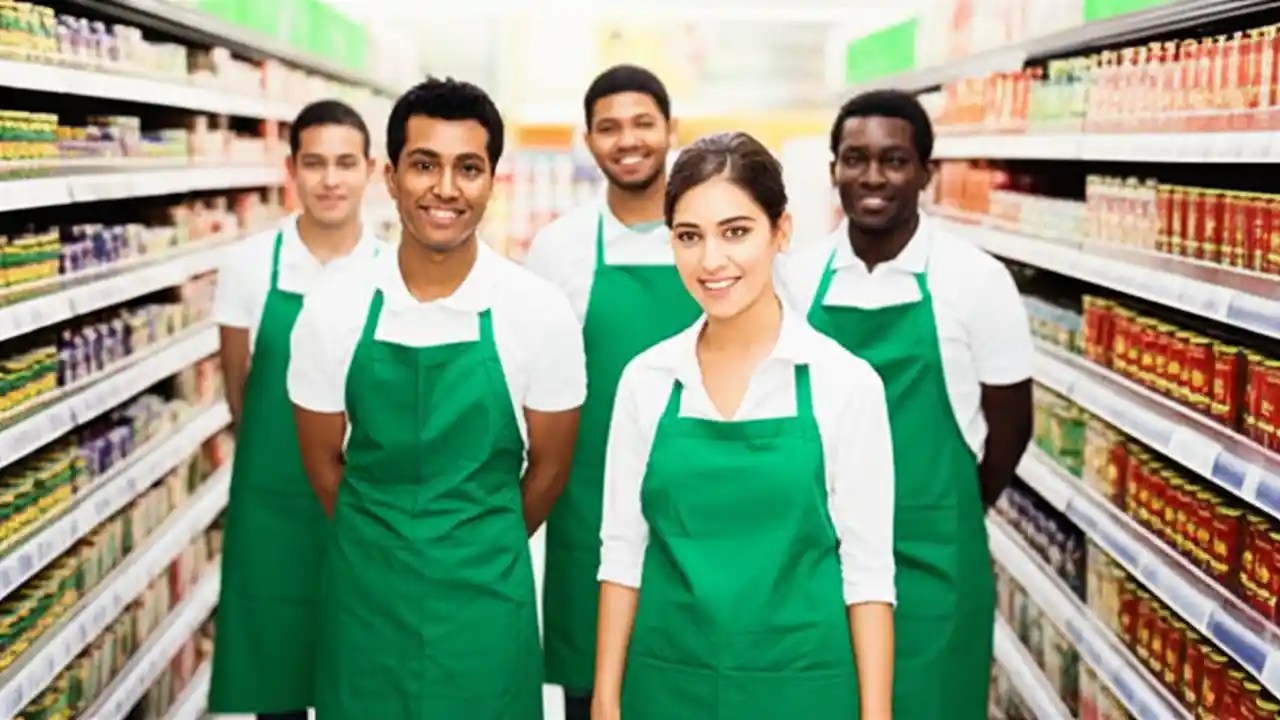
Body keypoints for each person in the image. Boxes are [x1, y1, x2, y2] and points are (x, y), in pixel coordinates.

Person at [286, 77, 586, 719]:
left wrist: (475, 544)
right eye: (425, 165)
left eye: (468, 168)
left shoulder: (538, 313)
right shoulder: (331, 309)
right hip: (365, 600)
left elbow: (552, 470)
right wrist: (385, 544)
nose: (446, 189)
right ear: (390, 177)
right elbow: (320, 465)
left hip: (486, 603)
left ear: (491, 181)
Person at [592, 131, 896, 720]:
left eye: (736, 232)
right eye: (689, 236)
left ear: (780, 231)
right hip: (667, 685)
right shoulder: (647, 381)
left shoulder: (844, 383)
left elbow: (867, 572)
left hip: (802, 688)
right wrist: (606, 700)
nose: (712, 261)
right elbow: (623, 552)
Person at [781, 89, 1034, 719]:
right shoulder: (796, 280)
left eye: (894, 160)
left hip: (935, 566)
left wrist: (949, 504)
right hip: (818, 561)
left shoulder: (976, 281)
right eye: (854, 158)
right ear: (832, 169)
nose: (872, 176)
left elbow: (1012, 428)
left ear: (925, 170)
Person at [522, 65, 702, 718]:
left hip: (703, 516)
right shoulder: (557, 251)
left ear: (671, 129)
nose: (628, 140)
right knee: (590, 697)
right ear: (589, 139)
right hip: (590, 520)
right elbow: (532, 389)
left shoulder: (713, 241)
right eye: (609, 127)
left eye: (643, 123)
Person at [208, 99, 382, 720]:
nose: (330, 180)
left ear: (371, 170)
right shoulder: (249, 267)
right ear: (292, 169)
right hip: (274, 514)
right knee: (275, 682)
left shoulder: (394, 270)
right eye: (314, 164)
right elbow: (241, 397)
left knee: (359, 678)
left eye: (344, 163)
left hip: (364, 510)